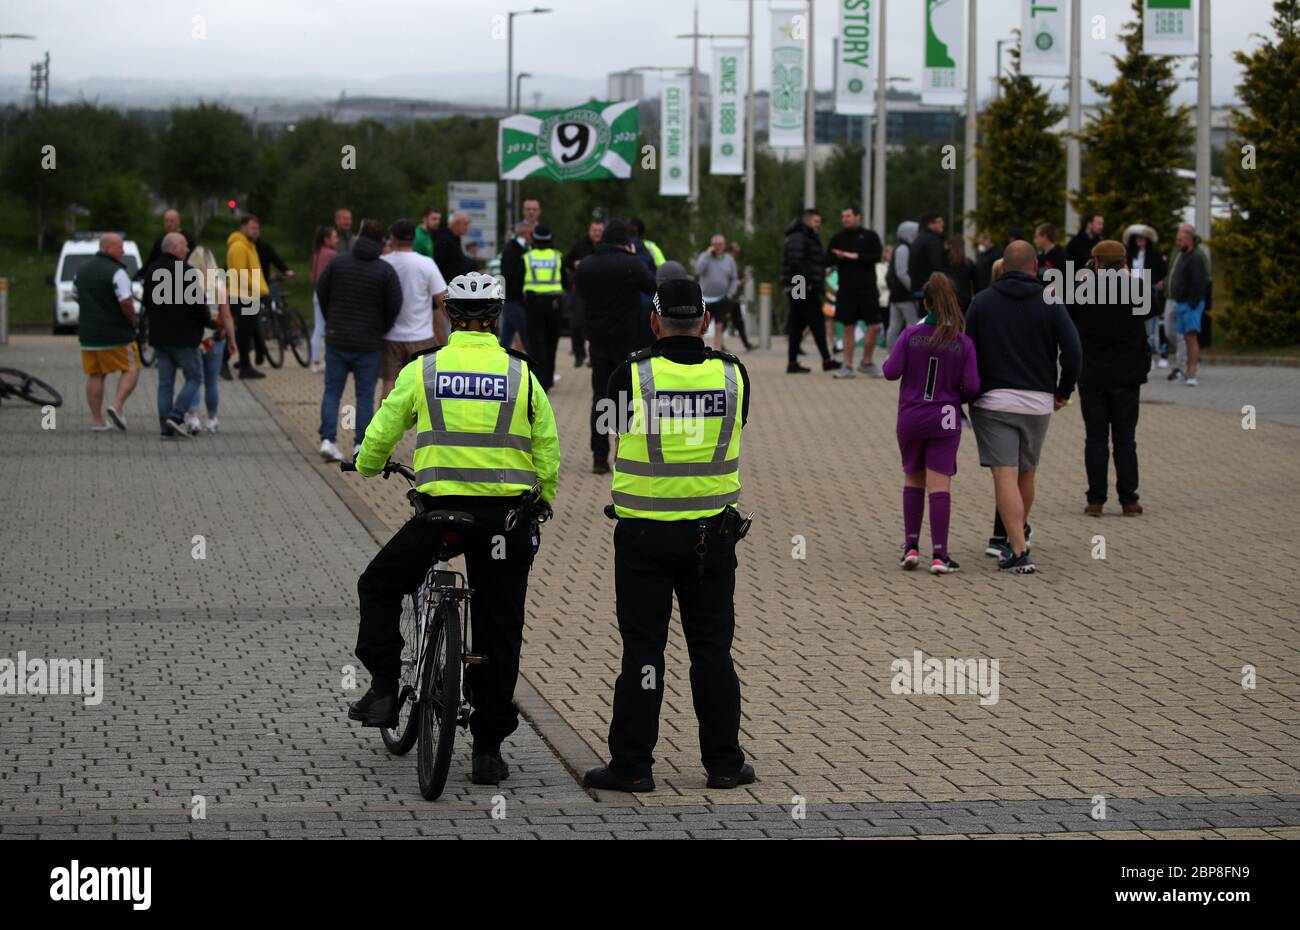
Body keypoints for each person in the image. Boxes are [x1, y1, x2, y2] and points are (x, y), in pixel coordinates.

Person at [349, 271, 560, 786]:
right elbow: (547, 448)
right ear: (496, 318)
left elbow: (384, 427)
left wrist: (366, 462)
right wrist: (543, 499)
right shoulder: (521, 374)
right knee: (499, 626)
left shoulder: (426, 369)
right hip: (502, 523)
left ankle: (382, 688)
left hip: (439, 515)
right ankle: (487, 750)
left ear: (448, 315)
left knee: (378, 585)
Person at [583, 277, 753, 794]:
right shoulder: (733, 375)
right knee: (712, 651)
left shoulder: (628, 375)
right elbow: (738, 425)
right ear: (704, 321)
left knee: (643, 651)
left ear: (654, 322)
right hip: (712, 537)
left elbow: (607, 430)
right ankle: (724, 763)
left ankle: (633, 766)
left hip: (645, 538)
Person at [965, 241, 1081, 575]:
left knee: (1004, 473)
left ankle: (1017, 550)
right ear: (1035, 267)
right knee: (1026, 472)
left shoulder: (982, 302)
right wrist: (1063, 391)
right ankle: (1017, 535)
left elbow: (967, 349)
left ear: (1003, 266)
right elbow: (1073, 351)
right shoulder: (1051, 300)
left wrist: (967, 393)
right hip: (1037, 400)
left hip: (993, 400)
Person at [882, 273, 980, 575]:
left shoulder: (910, 335)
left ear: (924, 303)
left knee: (913, 478)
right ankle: (940, 554)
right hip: (945, 418)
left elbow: (890, 371)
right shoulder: (962, 342)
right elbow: (973, 386)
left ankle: (911, 547)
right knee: (940, 485)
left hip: (911, 417)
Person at [1068, 240, 1153, 517]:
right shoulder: (1136, 289)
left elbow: (1066, 312)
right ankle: (1129, 499)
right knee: (1126, 440)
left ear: (1097, 262)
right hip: (1128, 375)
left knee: (1095, 438)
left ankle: (1096, 499)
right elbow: (1156, 305)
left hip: (1092, 374)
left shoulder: (1081, 290)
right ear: (1124, 262)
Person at [315, 219, 403, 463]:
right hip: (369, 344)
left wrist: (331, 320)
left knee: (332, 391)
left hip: (337, 339)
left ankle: (327, 440)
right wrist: (380, 329)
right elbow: (395, 305)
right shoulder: (384, 270)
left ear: (359, 236)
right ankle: (359, 444)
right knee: (364, 396)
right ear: (381, 240)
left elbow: (321, 293)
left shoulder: (338, 262)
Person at [575, 219, 657, 474]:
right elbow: (653, 288)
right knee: (628, 398)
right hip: (627, 341)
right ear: (626, 242)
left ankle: (599, 456)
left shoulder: (587, 265)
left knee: (601, 396)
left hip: (597, 340)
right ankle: (624, 452)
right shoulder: (632, 264)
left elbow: (581, 294)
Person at [141, 232, 209, 439]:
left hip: (160, 336)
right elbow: (199, 306)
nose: (188, 250)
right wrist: (209, 322)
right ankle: (177, 415)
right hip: (184, 337)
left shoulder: (152, 271)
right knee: (195, 377)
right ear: (174, 247)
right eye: (185, 246)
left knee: (165, 383)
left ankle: (164, 427)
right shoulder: (186, 272)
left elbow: (146, 303)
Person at [75, 232, 141, 431]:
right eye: (119, 247)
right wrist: (133, 320)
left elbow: (76, 295)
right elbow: (126, 302)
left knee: (96, 374)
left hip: (88, 335)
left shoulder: (81, 271)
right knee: (132, 367)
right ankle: (117, 405)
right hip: (117, 334)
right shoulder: (117, 272)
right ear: (107, 248)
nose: (122, 251)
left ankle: (97, 421)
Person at [380, 219, 448, 399]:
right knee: (425, 392)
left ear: (393, 238)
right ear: (413, 238)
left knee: (389, 387)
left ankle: (383, 427)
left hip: (391, 337)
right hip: (421, 337)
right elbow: (442, 300)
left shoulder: (383, 263)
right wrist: (457, 327)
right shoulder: (426, 264)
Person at [184, 246, 238, 434]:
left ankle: (193, 417)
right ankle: (213, 419)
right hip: (215, 338)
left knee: (193, 379)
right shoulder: (219, 285)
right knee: (212, 380)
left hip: (193, 337)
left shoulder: (187, 283)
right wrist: (232, 341)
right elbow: (227, 316)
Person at [827, 205, 885, 378]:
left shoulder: (870, 236)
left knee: (874, 326)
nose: (845, 219)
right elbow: (827, 259)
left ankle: (867, 362)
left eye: (848, 216)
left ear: (858, 216)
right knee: (848, 328)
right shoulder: (837, 238)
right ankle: (848, 365)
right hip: (846, 289)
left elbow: (877, 256)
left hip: (868, 289)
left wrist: (854, 256)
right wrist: (836, 256)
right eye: (843, 216)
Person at [782, 209, 838, 374]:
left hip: (802, 285)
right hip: (801, 285)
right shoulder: (799, 236)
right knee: (815, 322)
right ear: (807, 221)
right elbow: (795, 262)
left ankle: (794, 363)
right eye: (816, 222)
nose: (818, 226)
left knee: (799, 324)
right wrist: (809, 283)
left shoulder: (807, 236)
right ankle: (826, 360)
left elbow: (815, 261)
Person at [225, 214, 269, 379]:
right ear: (242, 228)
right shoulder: (239, 247)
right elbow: (239, 273)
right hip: (241, 295)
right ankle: (233, 363)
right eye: (252, 228)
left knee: (246, 332)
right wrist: (259, 288)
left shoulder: (250, 247)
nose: (256, 231)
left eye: (257, 228)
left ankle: (244, 364)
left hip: (250, 295)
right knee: (242, 332)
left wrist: (261, 289)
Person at [522, 223, 564, 391]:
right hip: (554, 303)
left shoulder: (527, 257)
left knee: (536, 343)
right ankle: (549, 379)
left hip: (533, 304)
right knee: (551, 342)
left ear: (534, 240)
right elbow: (565, 281)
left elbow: (518, 280)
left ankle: (539, 381)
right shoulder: (557, 256)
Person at [1167, 223, 1209, 387]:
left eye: (1180, 240)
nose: (1178, 243)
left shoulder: (1196, 258)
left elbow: (1199, 282)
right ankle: (1185, 372)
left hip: (1191, 304)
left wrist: (1193, 303)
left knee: (1191, 338)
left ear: (1188, 240)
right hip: (1181, 302)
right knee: (1184, 338)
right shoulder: (1183, 257)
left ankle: (1192, 373)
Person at [1123, 224, 1168, 369]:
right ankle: (1137, 355)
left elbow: (1162, 273)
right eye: (1137, 238)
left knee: (1152, 328)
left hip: (1150, 291)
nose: (1140, 240)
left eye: (1143, 237)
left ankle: (1153, 355)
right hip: (1133, 292)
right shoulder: (1129, 255)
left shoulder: (1155, 254)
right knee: (1135, 326)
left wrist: (1161, 282)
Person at [564, 220, 604, 368]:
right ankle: (579, 354)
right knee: (576, 324)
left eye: (600, 231)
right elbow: (566, 260)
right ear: (589, 231)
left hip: (600, 291)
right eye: (595, 230)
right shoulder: (580, 245)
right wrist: (574, 264)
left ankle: (595, 357)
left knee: (596, 325)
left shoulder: (606, 246)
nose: (597, 233)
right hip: (580, 290)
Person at [695, 234, 740, 353]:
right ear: (711, 245)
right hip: (706, 298)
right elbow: (698, 270)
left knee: (719, 326)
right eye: (715, 244)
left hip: (722, 298)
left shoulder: (729, 260)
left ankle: (718, 351)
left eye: (720, 244)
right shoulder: (705, 256)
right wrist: (707, 255)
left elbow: (734, 278)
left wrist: (731, 293)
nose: (717, 247)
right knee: (701, 327)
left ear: (724, 246)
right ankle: (698, 351)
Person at [499, 220, 533, 352]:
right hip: (515, 301)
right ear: (525, 233)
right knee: (528, 339)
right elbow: (510, 277)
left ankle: (498, 368)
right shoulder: (512, 250)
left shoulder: (518, 249)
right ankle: (536, 370)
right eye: (532, 233)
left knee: (506, 340)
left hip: (512, 301)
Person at [310, 225, 339, 373]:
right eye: (334, 237)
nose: (337, 240)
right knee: (324, 328)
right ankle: (318, 361)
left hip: (317, 293)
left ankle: (316, 360)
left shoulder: (317, 253)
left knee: (319, 328)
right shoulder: (331, 254)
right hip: (326, 295)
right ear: (326, 239)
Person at [885, 221, 919, 349]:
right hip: (904, 295)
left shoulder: (900, 247)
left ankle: (893, 354)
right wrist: (913, 288)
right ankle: (906, 355)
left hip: (896, 294)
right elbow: (902, 272)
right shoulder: (904, 248)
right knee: (912, 325)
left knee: (894, 326)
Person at [907, 212, 947, 303]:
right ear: (930, 224)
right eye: (939, 221)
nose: (942, 224)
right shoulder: (933, 240)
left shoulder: (919, 239)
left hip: (919, 289)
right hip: (931, 290)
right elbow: (937, 266)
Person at [725, 243, 755, 351]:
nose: (736, 254)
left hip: (734, 298)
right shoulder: (725, 263)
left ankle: (746, 344)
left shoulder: (735, 264)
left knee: (738, 322)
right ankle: (719, 344)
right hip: (727, 298)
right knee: (723, 322)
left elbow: (741, 278)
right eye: (735, 251)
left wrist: (742, 281)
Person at [434, 211, 477, 283]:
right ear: (456, 224)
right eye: (466, 224)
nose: (467, 227)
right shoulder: (444, 240)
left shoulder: (455, 239)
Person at [945, 235, 977, 312]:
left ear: (951, 246)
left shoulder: (946, 262)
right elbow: (976, 284)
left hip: (949, 298)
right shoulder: (969, 263)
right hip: (965, 299)